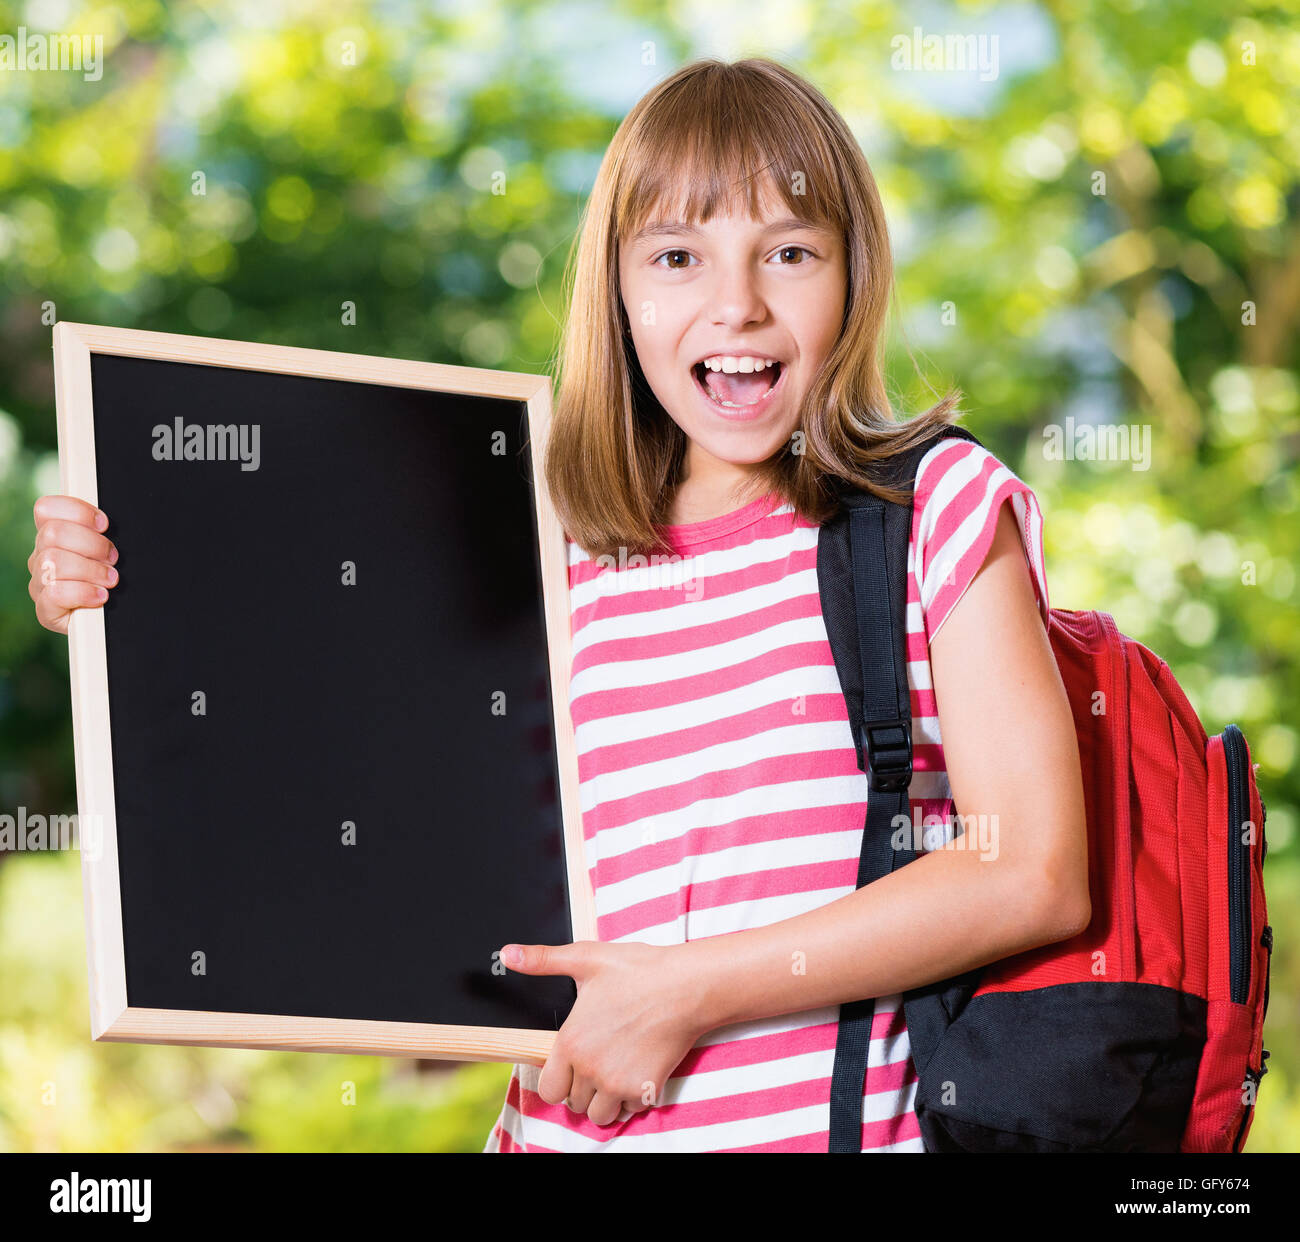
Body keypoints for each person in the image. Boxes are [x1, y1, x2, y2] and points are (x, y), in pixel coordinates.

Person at [26, 55, 1088, 1155]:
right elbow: (349, 799)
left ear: (854, 275)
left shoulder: (931, 509)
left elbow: (1032, 870)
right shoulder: (548, 552)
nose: (738, 303)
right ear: (619, 292)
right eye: (677, 256)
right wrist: (124, 607)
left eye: (789, 252)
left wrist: (686, 992)